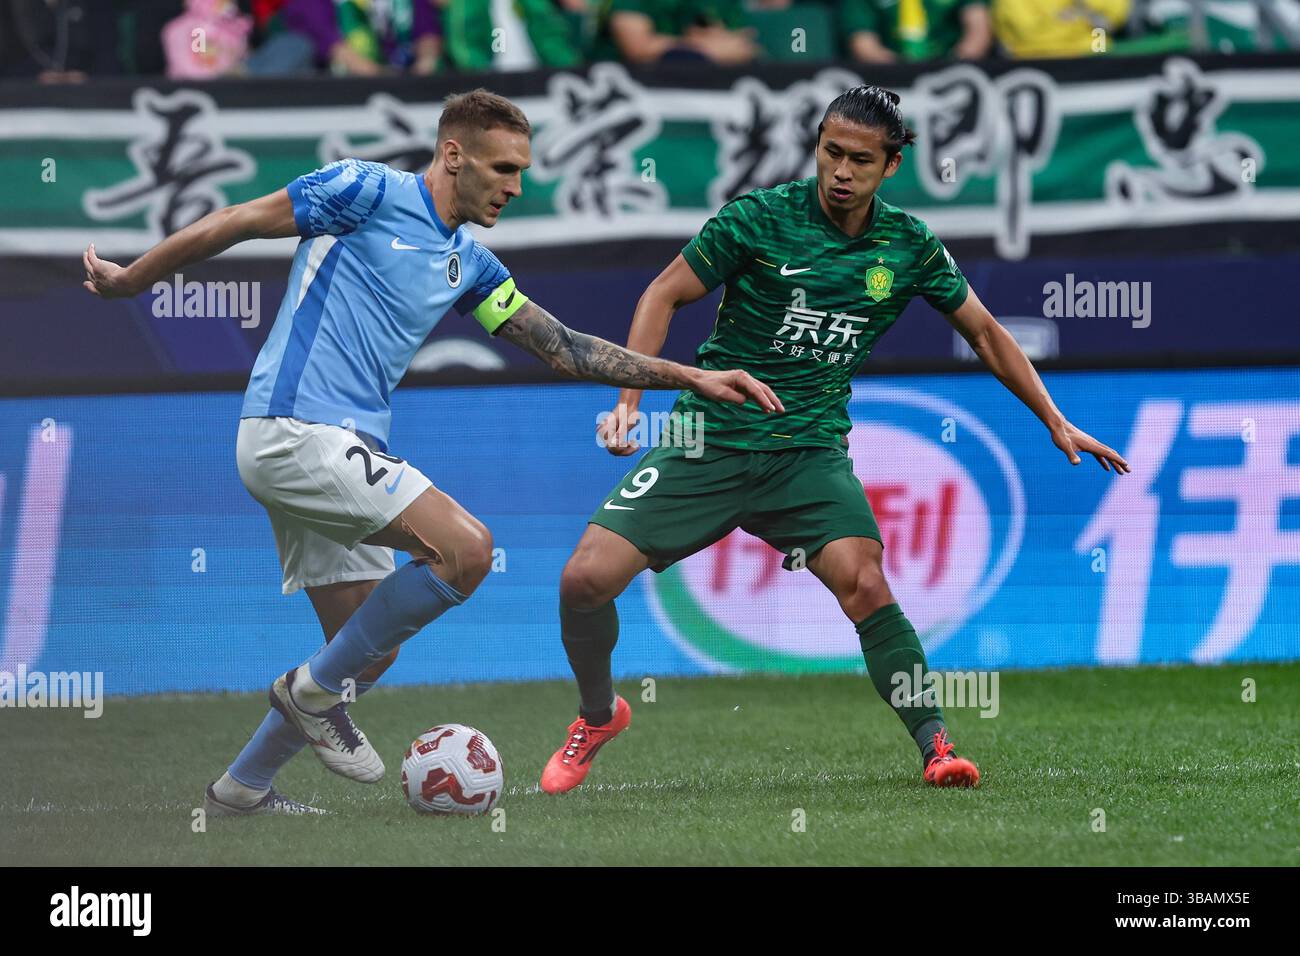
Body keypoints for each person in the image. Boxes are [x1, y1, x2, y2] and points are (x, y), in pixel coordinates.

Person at [81, 89, 781, 816]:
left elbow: (565, 348)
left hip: (337, 446)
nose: (515, 186)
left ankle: (241, 789)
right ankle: (311, 694)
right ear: (454, 155)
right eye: (503, 168)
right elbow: (238, 220)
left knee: (365, 653)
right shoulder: (364, 190)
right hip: (294, 431)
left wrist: (688, 375)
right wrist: (135, 278)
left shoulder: (469, 264)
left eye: (522, 171)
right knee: (467, 551)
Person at [541, 85, 1130, 795]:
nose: (840, 171)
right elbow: (662, 294)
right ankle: (599, 714)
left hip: (809, 452)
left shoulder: (908, 247)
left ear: (892, 165)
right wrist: (629, 403)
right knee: (584, 579)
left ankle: (936, 745)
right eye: (830, 152)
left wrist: (1053, 418)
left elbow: (984, 331)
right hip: (710, 438)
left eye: (859, 160)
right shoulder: (758, 219)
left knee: (865, 582)